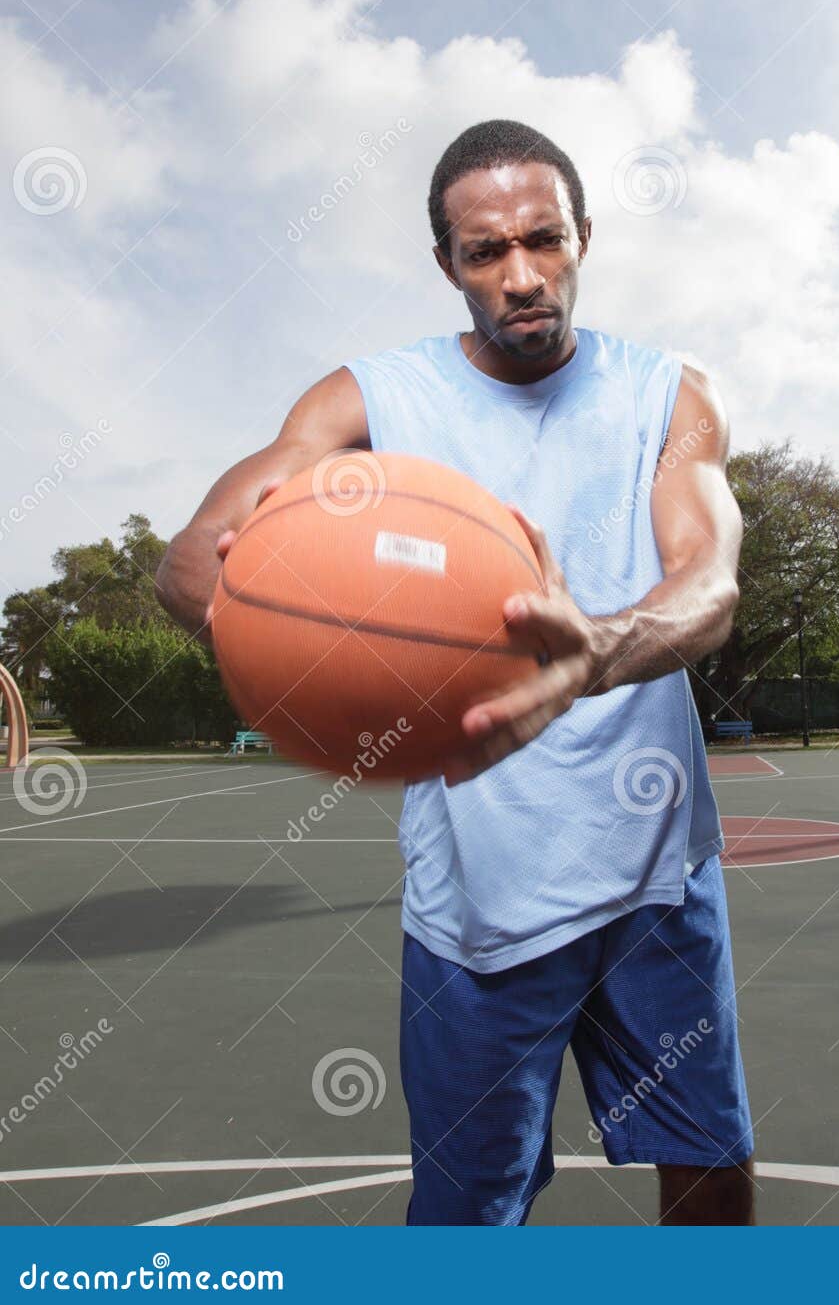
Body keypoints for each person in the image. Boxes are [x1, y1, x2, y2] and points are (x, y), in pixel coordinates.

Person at [155, 119, 755, 1226]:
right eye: (486, 253)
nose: (522, 275)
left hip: (655, 875)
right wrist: (302, 648)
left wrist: (597, 655)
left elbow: (709, 584)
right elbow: (194, 559)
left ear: (583, 238)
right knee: (465, 1216)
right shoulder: (368, 402)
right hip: (477, 900)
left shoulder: (671, 394)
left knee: (711, 1175)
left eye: (544, 240)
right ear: (447, 266)